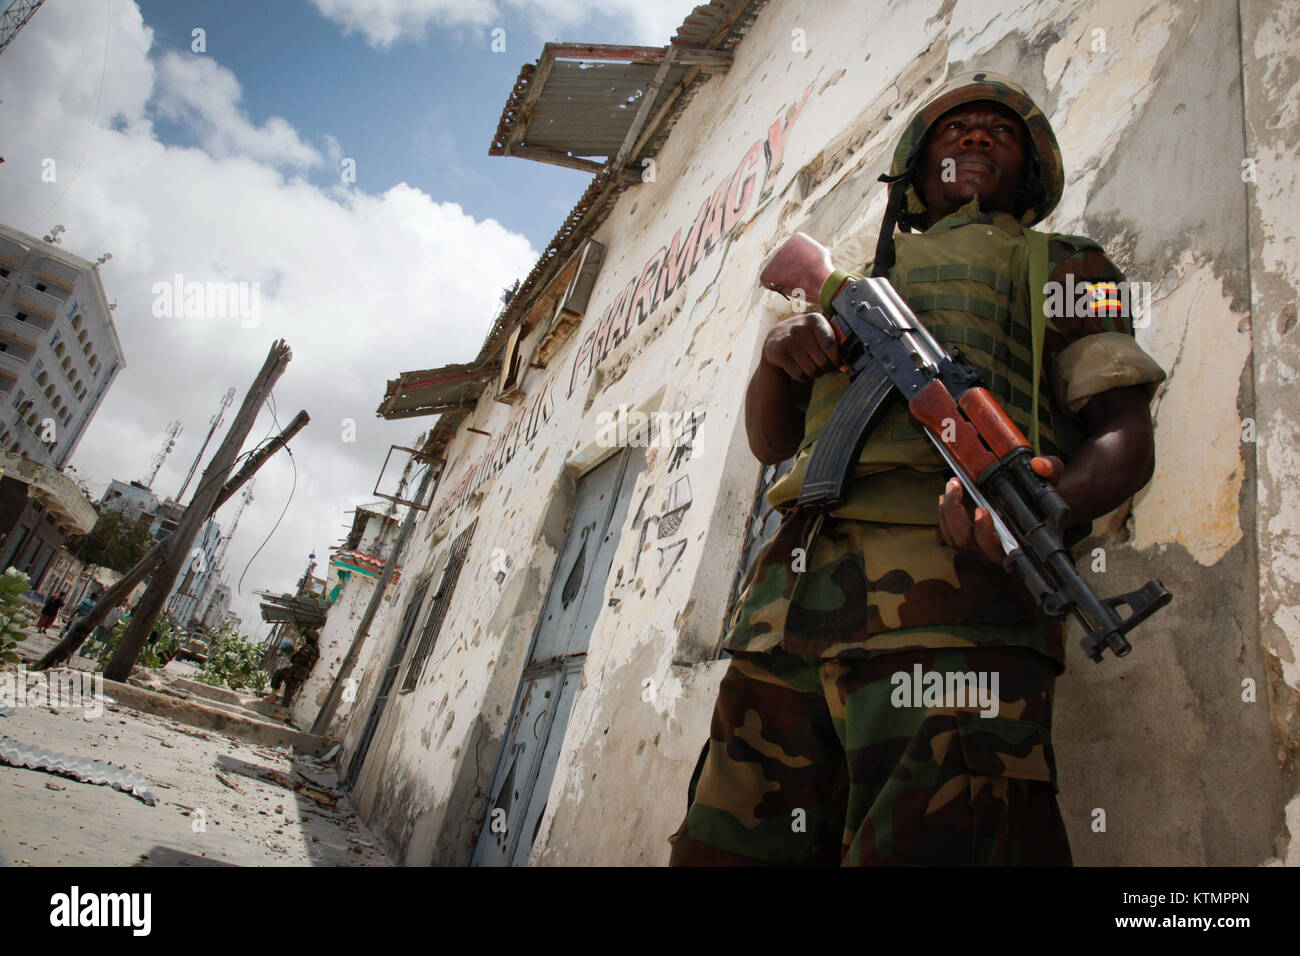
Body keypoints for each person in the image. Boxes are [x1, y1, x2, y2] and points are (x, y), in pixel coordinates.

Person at [669, 72, 1167, 866]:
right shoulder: (856, 288)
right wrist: (776, 359)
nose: (974, 137)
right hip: (784, 608)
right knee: (728, 847)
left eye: (997, 132)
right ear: (912, 169)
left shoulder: (1074, 267)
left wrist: (1047, 514)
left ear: (1031, 172)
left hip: (957, 601)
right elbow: (772, 446)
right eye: (955, 129)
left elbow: (1125, 433)